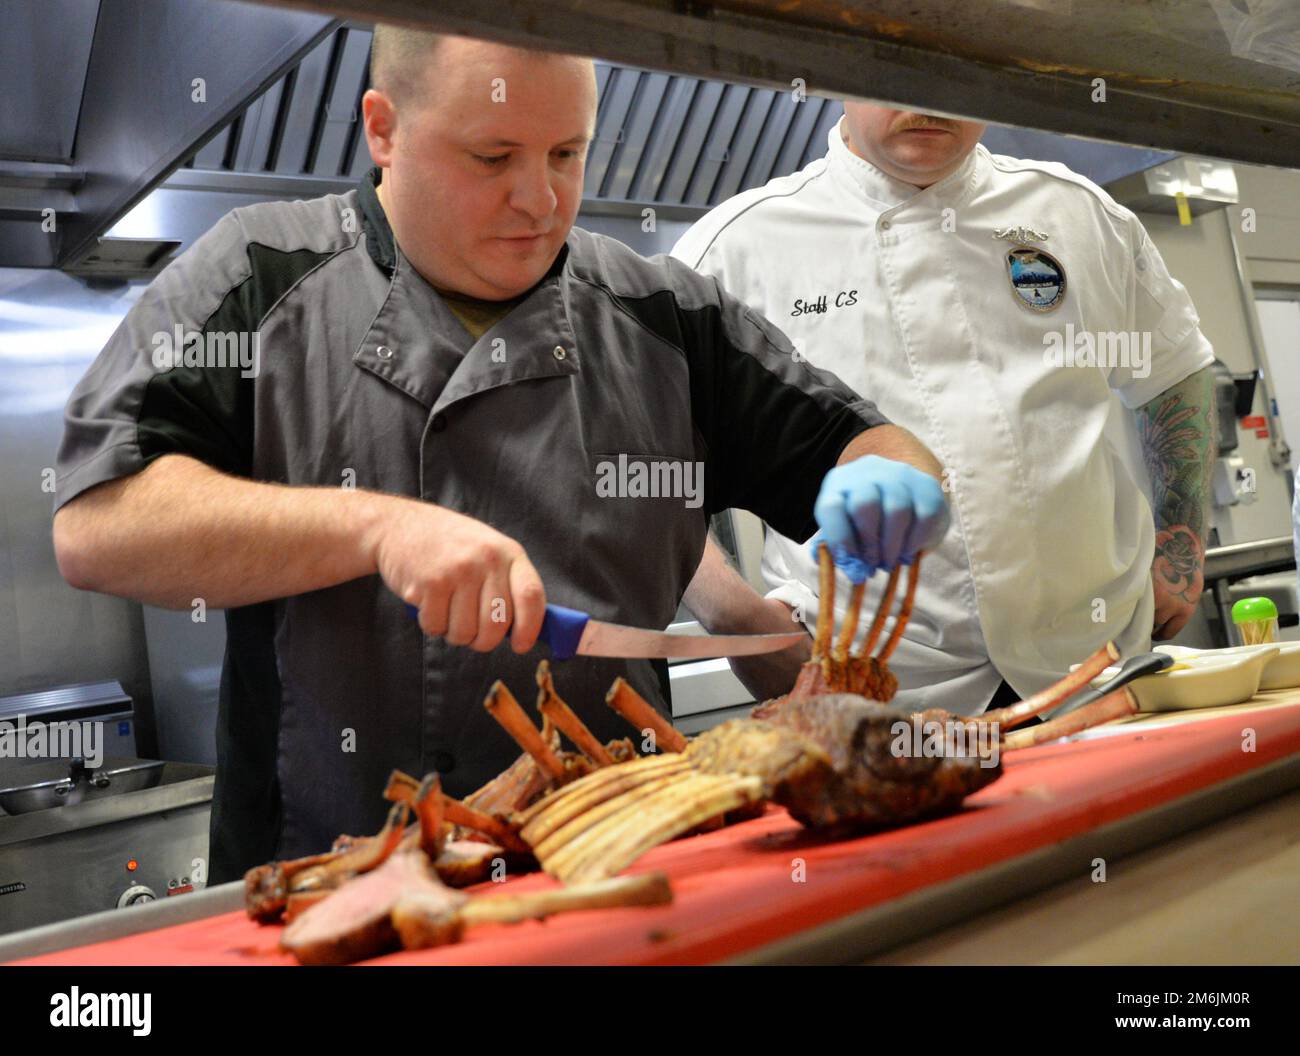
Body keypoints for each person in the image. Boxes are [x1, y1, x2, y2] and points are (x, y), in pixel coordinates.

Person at [51, 32, 947, 881]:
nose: (541, 199)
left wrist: (894, 482)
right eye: (494, 158)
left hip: (616, 873)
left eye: (567, 154)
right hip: (334, 884)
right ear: (383, 130)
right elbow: (98, 523)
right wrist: (375, 526)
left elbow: (864, 441)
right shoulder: (260, 275)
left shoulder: (663, 312)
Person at [676, 104, 1217, 711]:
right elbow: (641, 461)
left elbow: (1174, 371)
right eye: (894, 68)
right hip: (876, 699)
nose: (927, 99)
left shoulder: (1077, 215)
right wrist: (736, 619)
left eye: (946, 75)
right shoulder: (735, 250)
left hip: (1098, 667)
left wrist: (1181, 543)